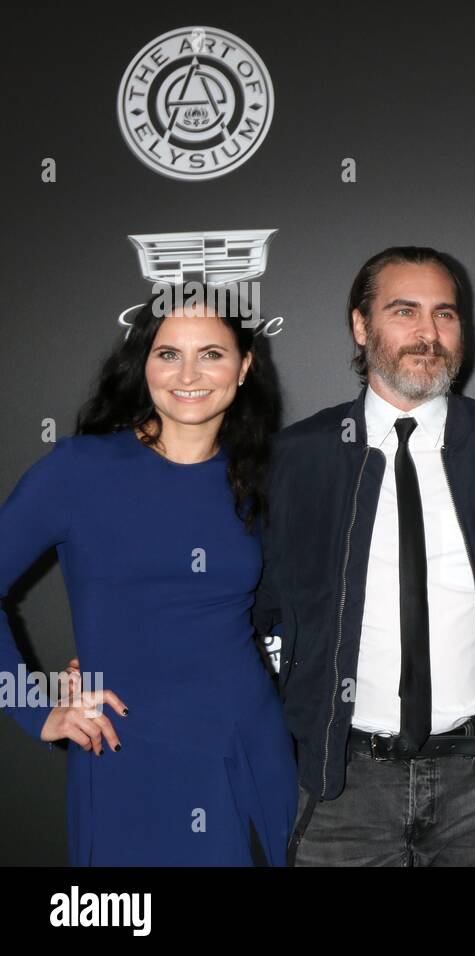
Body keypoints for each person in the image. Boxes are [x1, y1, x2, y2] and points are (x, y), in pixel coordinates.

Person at [255, 246, 475, 866]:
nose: (428, 333)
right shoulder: (295, 458)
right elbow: (242, 605)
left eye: (446, 315)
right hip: (342, 781)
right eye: (405, 311)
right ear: (361, 326)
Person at [0, 285, 297, 865]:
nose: (189, 373)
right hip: (126, 751)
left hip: (247, 744)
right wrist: (36, 708)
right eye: (168, 354)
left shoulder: (266, 476)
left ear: (244, 367)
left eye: (211, 353)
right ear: (143, 365)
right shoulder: (79, 470)